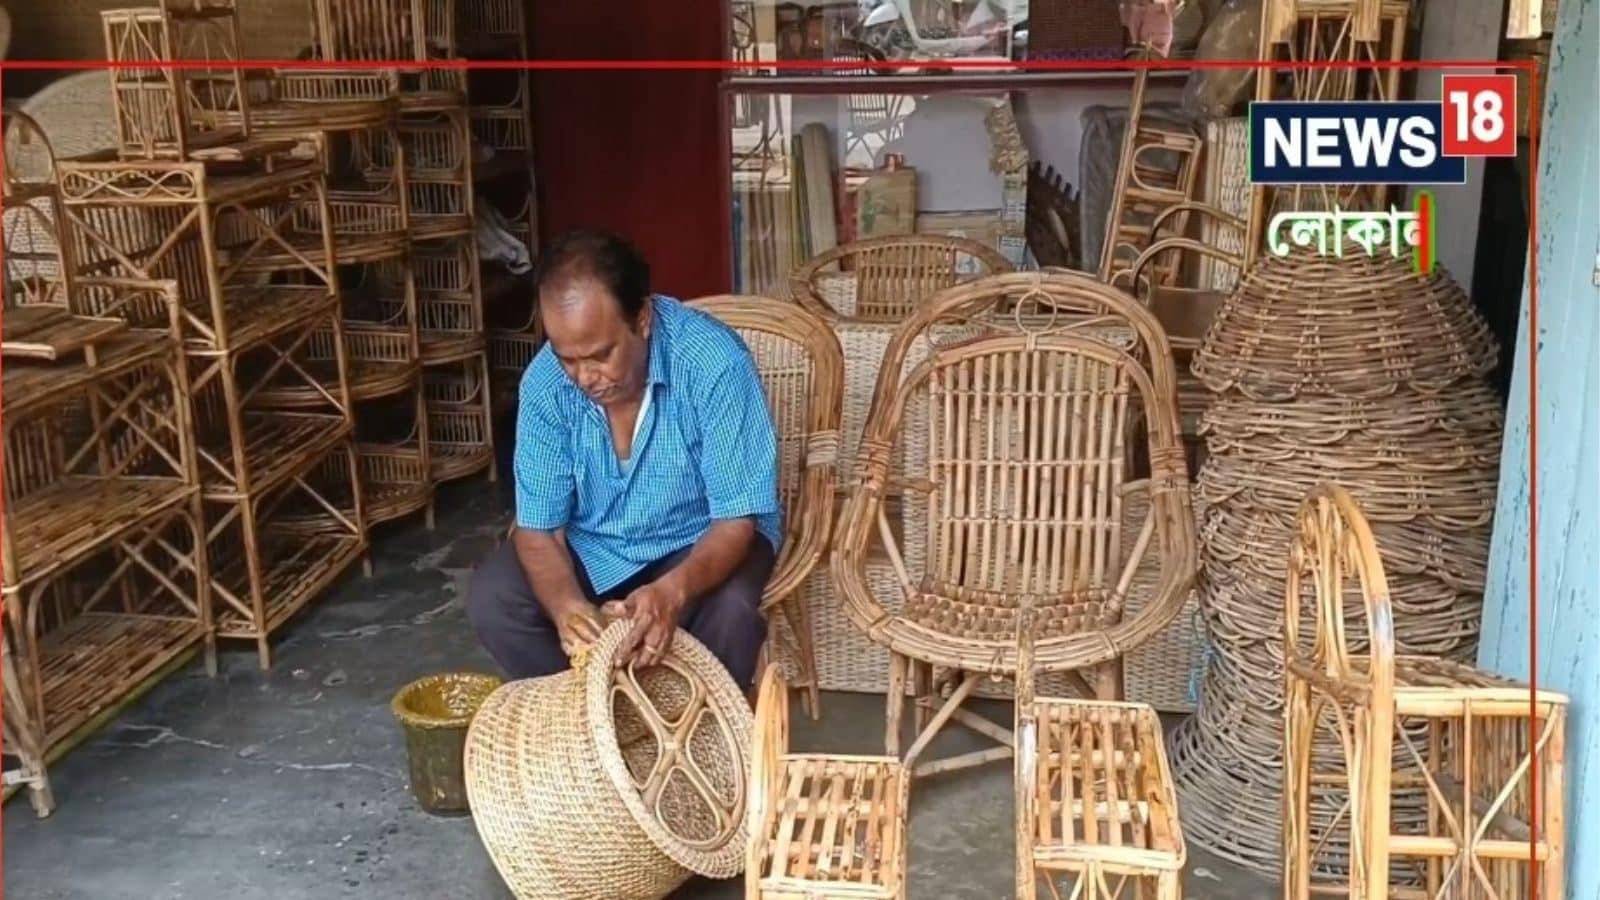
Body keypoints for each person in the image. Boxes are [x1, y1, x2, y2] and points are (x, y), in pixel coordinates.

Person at [466, 229, 782, 688]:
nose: (585, 377)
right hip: (597, 544)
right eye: (568, 359)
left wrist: (673, 591)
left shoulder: (714, 364)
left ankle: (698, 718)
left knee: (732, 610)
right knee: (495, 598)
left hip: (698, 540)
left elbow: (735, 520)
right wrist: (568, 608)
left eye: (600, 355)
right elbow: (539, 529)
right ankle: (591, 708)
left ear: (643, 318)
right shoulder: (546, 384)